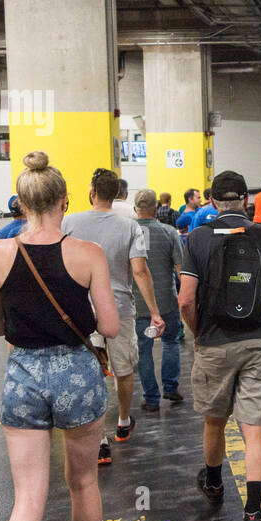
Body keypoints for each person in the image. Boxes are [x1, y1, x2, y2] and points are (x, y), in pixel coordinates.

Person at [0, 151, 120, 521]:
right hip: (77, 375)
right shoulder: (87, 254)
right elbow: (111, 326)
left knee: (28, 497)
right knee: (82, 481)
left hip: (23, 376)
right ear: (64, 201)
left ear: (20, 203)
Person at [178, 170, 261, 521]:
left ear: (211, 202)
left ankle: (213, 484)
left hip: (214, 342)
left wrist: (199, 334)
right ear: (245, 199)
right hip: (259, 341)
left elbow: (186, 299)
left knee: (215, 419)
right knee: (253, 428)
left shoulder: (196, 239)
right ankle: (254, 513)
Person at [62, 167, 164, 464]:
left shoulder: (69, 222)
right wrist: (155, 312)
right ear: (119, 193)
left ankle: (100, 439)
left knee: (90, 373)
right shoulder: (130, 226)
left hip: (80, 310)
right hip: (119, 309)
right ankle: (122, 422)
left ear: (92, 192)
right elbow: (140, 271)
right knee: (124, 369)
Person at [133, 189, 183, 412]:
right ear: (156, 209)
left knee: (143, 350)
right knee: (171, 342)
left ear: (136, 209)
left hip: (138, 304)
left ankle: (151, 398)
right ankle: (170, 387)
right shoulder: (169, 232)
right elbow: (182, 269)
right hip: (166, 302)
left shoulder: (129, 232)